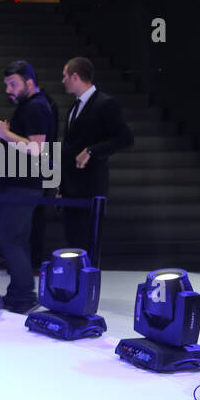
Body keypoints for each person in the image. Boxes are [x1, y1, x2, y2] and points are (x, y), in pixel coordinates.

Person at [0, 60, 58, 313]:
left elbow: (36, 150)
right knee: (15, 240)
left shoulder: (36, 107)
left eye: (13, 84)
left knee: (8, 239)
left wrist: (5, 134)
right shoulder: (32, 106)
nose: (8, 89)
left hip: (24, 184)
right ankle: (19, 293)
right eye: (7, 84)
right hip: (21, 184)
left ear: (29, 82)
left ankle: (23, 294)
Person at [60, 56, 133, 254]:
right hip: (71, 187)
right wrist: (62, 185)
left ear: (75, 76)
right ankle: (72, 283)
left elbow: (125, 138)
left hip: (90, 185)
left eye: (65, 75)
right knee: (72, 240)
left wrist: (92, 151)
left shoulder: (105, 103)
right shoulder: (74, 106)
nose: (63, 80)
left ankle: (85, 282)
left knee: (86, 242)